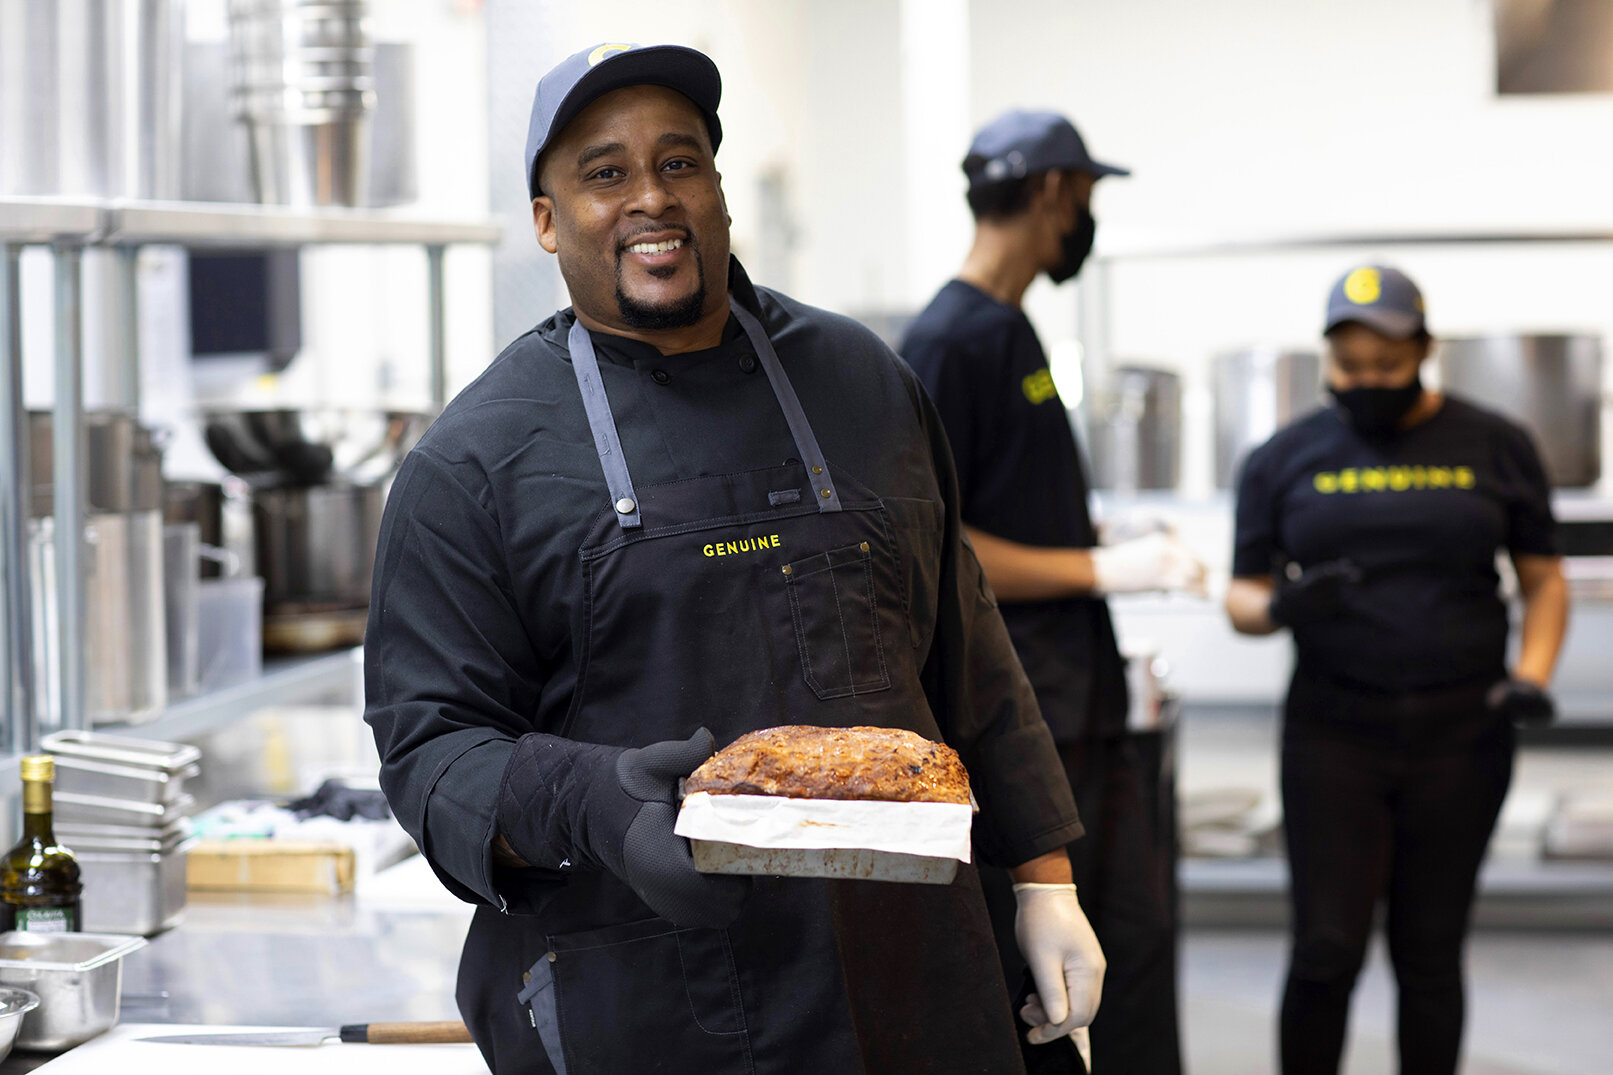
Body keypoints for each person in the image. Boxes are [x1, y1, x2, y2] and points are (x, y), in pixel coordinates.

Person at [364, 43, 1108, 1075]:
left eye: (678, 164)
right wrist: (592, 802)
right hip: (662, 1001)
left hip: (920, 982)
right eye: (604, 173)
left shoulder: (862, 381)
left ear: (715, 190)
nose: (649, 199)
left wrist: (1043, 879)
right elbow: (428, 745)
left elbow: (968, 655)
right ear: (545, 220)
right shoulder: (476, 460)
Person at [900, 110, 1202, 1075]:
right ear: (1048, 192)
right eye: (1085, 199)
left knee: (1131, 947)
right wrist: (1103, 570)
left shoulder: (1011, 327)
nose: (1086, 220)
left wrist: (1098, 536)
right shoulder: (951, 341)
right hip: (1032, 706)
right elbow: (941, 539)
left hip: (1082, 697)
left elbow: (1004, 503)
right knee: (1060, 978)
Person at [1225, 264, 1570, 1075]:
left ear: (1423, 348)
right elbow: (1240, 595)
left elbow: (1542, 577)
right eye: (1349, 367)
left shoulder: (1494, 442)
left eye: (1386, 364)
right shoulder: (1282, 456)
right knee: (1324, 947)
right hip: (1331, 732)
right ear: (1325, 360)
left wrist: (1533, 673)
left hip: (1463, 730)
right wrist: (1283, 607)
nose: (1367, 381)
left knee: (1428, 949)